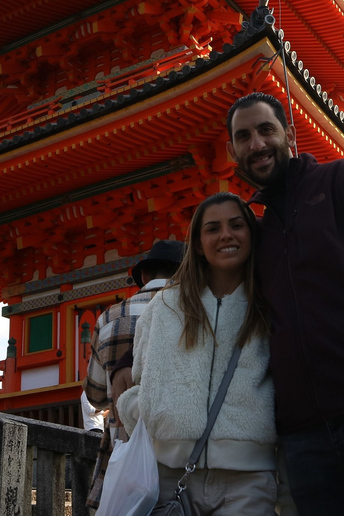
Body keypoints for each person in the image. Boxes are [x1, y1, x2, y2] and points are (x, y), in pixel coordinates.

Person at [118, 192, 277, 515]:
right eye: (213, 228)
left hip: (247, 482)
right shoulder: (165, 307)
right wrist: (144, 410)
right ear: (198, 242)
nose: (226, 235)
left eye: (236, 225)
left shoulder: (270, 306)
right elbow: (141, 379)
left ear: (251, 233)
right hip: (169, 477)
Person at [226, 91, 344, 515]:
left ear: (290, 134)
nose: (256, 144)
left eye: (266, 130)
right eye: (244, 136)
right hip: (302, 435)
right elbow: (207, 305)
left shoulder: (335, 183)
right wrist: (124, 354)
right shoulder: (254, 235)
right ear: (232, 151)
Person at [83, 239, 184, 508]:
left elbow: (95, 396)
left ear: (144, 275)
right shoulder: (194, 311)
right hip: (180, 454)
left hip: (124, 458)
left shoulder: (108, 317)